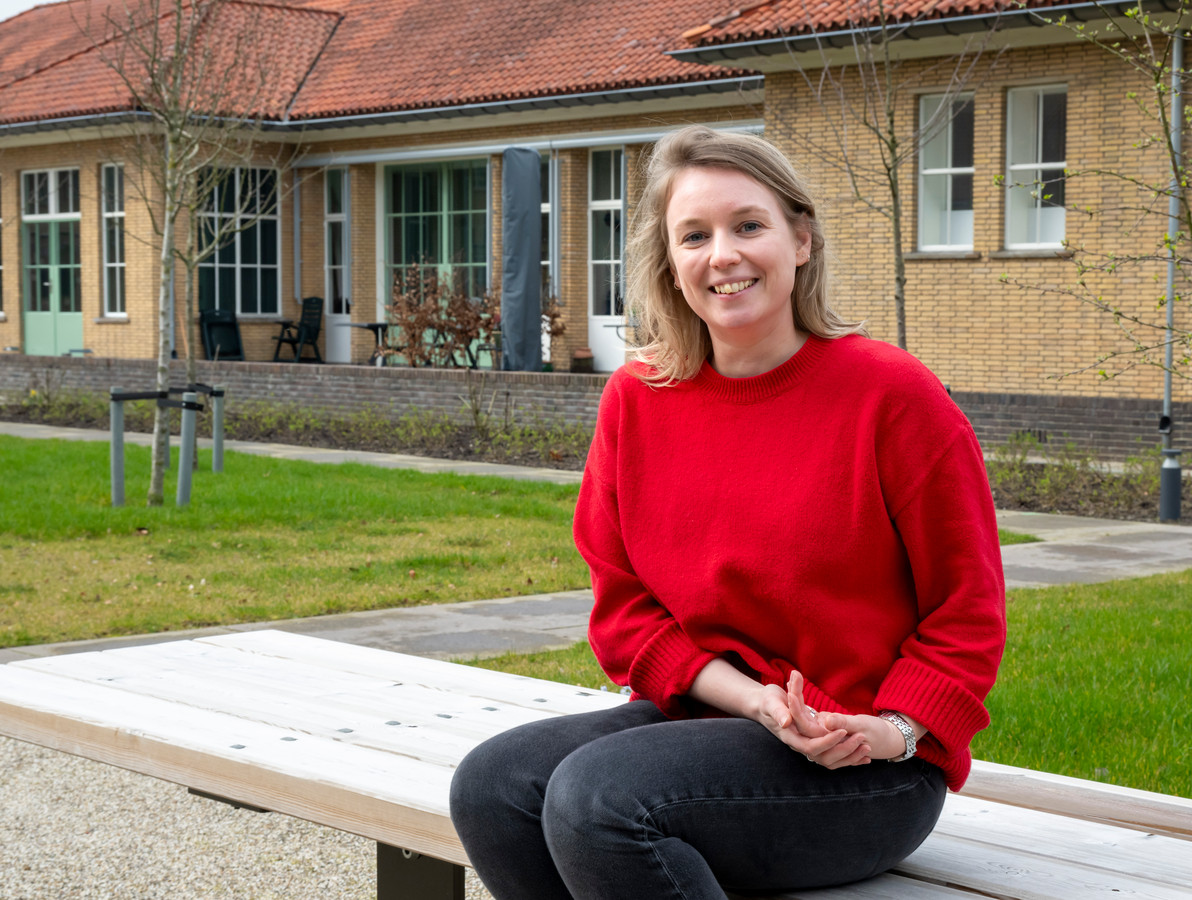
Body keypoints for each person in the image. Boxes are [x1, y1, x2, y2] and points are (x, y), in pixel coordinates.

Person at [449, 125, 1006, 899]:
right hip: (710, 719)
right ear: (669, 263)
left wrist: (893, 730)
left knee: (600, 803)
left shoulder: (893, 397)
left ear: (800, 240)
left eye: (749, 225)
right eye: (695, 235)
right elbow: (625, 611)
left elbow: (967, 610)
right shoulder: (637, 401)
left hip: (863, 766)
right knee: (493, 785)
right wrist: (752, 700)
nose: (724, 255)